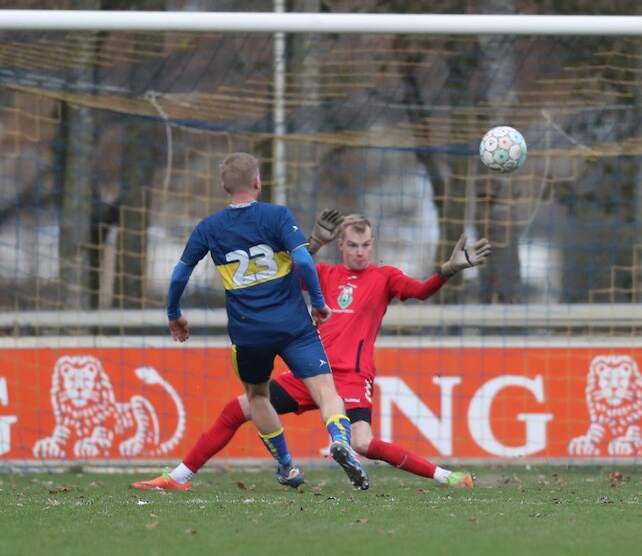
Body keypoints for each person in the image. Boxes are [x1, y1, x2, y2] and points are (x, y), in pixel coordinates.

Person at [136, 210, 491, 491]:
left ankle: (448, 477)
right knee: (237, 408)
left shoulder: (385, 277)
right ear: (342, 245)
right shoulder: (324, 273)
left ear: (373, 244)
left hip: (351, 377)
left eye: (366, 244)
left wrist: (449, 269)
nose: (360, 251)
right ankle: (179, 476)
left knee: (365, 444)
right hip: (310, 369)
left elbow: (421, 291)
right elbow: (285, 275)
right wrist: (314, 242)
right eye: (353, 245)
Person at [163, 152, 369, 491]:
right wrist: (318, 303)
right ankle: (340, 439)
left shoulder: (209, 227)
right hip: (293, 327)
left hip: (248, 334)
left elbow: (179, 275)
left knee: (257, 396)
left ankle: (287, 466)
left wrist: (174, 314)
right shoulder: (276, 216)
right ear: (258, 182)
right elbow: (302, 261)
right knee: (325, 389)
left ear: (225, 187)